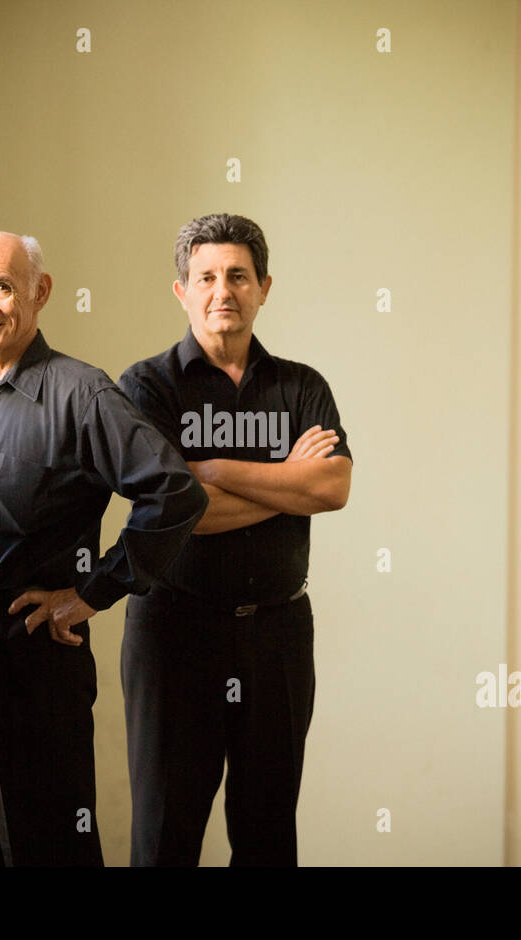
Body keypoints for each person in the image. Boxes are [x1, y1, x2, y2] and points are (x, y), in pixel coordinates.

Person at [0, 231, 207, 866]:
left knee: (49, 849)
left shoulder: (80, 393)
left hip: (37, 666)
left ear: (40, 292)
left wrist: (92, 593)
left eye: (1, 287)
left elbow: (175, 494)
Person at [116, 213, 352, 866]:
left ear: (264, 288)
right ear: (182, 291)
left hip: (277, 635)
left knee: (268, 834)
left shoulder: (301, 387)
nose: (224, 290)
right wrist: (285, 480)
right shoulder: (146, 386)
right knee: (165, 835)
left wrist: (211, 472)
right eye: (207, 276)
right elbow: (167, 510)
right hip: (174, 634)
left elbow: (331, 489)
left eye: (239, 276)